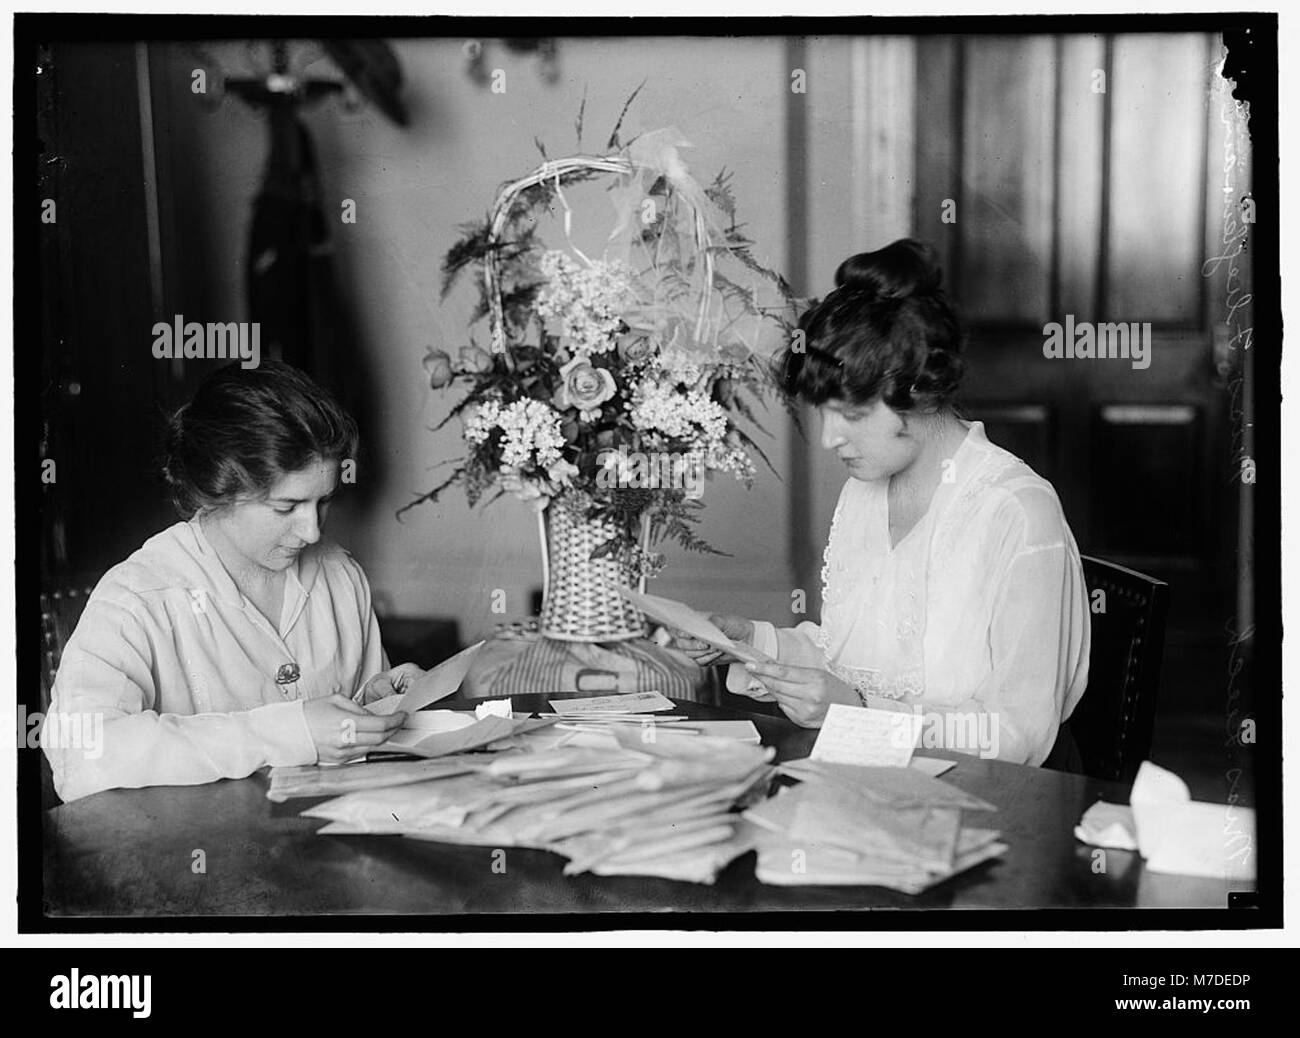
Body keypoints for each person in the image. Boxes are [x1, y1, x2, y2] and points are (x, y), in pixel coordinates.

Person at [672, 239, 1090, 767]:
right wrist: (755, 643)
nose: (829, 440)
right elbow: (864, 661)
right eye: (823, 413)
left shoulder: (1016, 511)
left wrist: (861, 712)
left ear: (915, 390)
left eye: (850, 413)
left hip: (990, 799)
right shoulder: (865, 491)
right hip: (877, 776)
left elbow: (1020, 733)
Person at [43, 361, 420, 803]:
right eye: (287, 507)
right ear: (218, 490)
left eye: (324, 503)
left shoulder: (339, 574)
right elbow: (81, 757)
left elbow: (350, 742)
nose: (312, 531)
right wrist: (284, 731)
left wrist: (371, 705)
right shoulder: (137, 598)